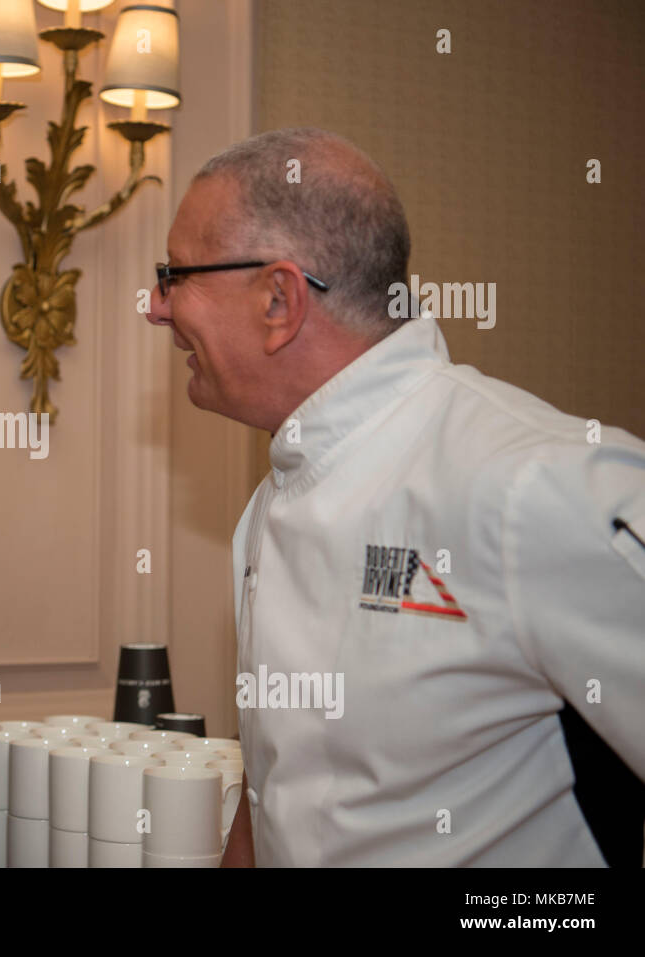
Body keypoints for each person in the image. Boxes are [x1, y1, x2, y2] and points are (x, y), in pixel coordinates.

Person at [145, 127, 645, 866]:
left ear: (278, 299)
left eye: (174, 275)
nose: (154, 307)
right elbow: (280, 782)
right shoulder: (267, 506)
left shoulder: (534, 480)